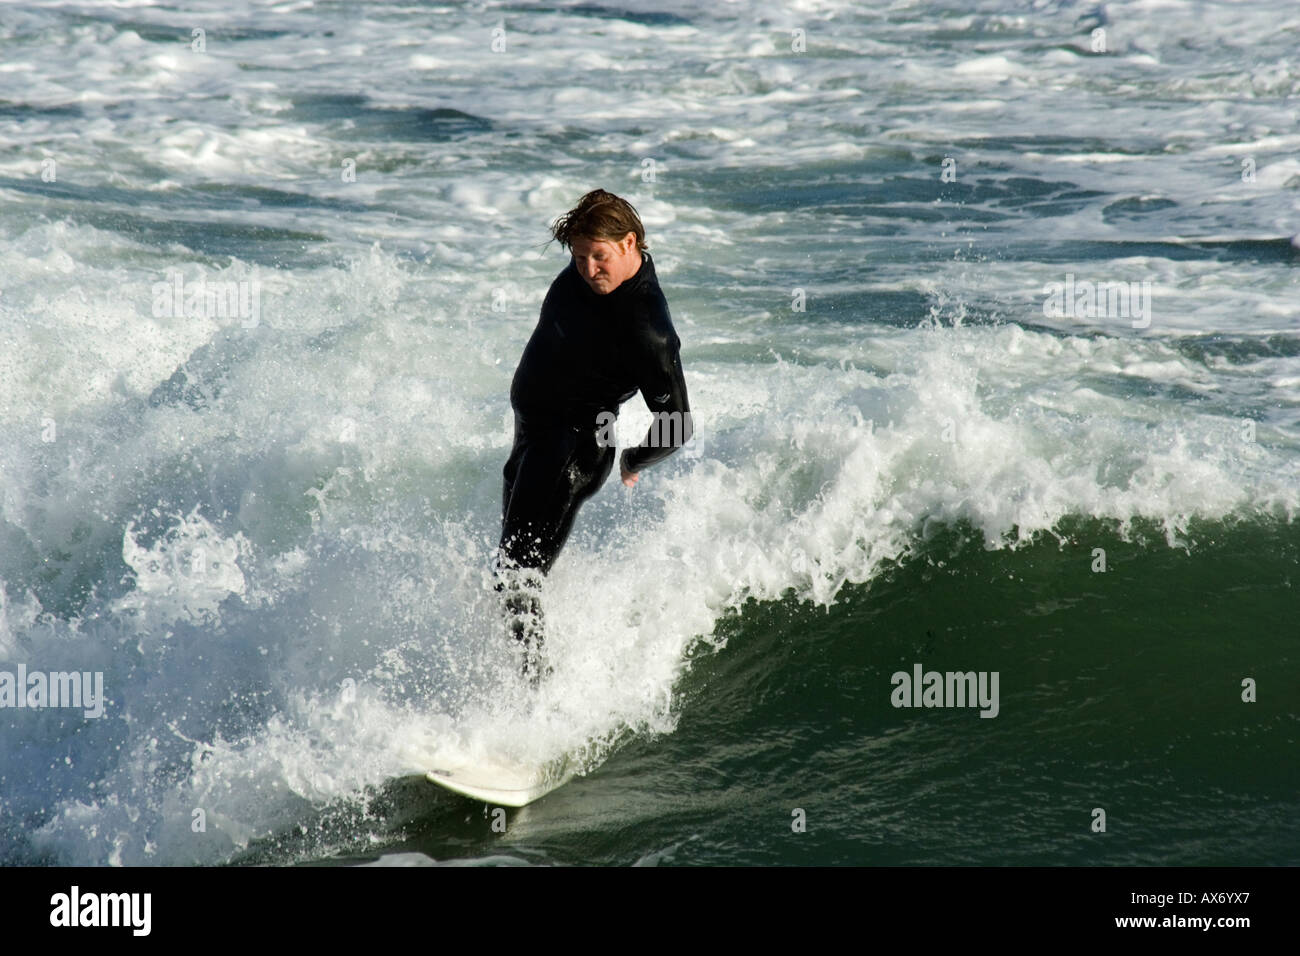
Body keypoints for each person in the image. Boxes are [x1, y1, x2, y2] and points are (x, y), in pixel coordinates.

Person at [495, 189, 693, 682]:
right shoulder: (595, 274)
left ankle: (536, 695)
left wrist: (634, 459)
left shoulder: (647, 328)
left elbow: (679, 423)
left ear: (630, 244)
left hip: (571, 446)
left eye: (598, 256)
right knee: (516, 572)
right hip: (531, 436)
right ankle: (527, 677)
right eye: (579, 257)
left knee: (515, 577)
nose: (587, 269)